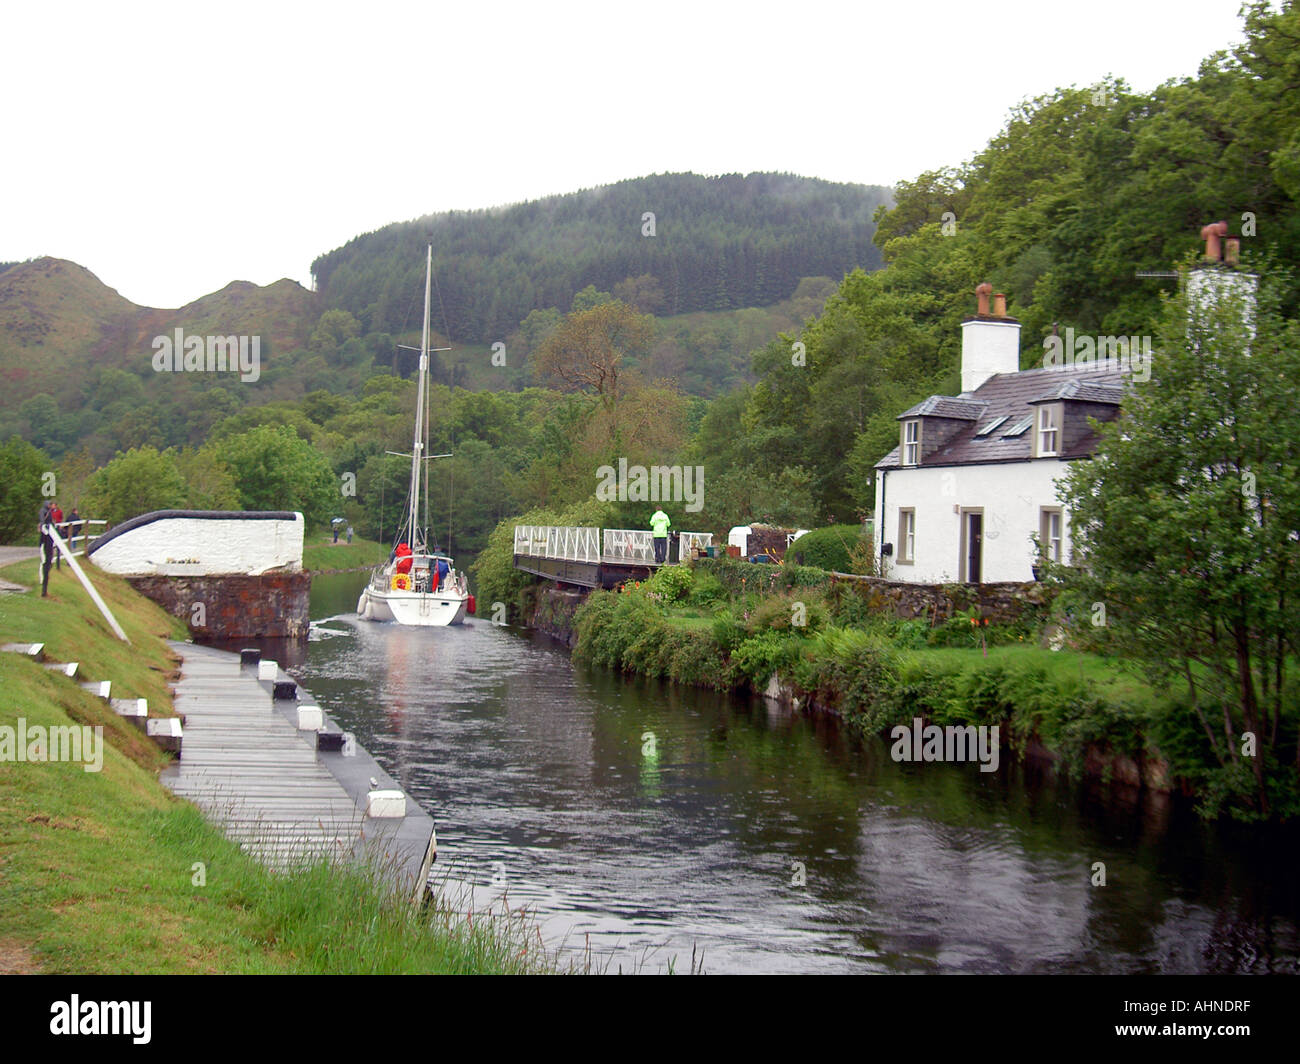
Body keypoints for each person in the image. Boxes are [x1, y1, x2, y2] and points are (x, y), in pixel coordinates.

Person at [37, 500, 54, 596]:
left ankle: (45, 579)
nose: (50, 505)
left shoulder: (48, 511)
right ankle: (43, 581)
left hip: (48, 534)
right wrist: (44, 526)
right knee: (45, 559)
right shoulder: (43, 511)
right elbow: (42, 520)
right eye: (49, 504)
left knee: (48, 558)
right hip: (45, 536)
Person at [49, 501, 63, 569]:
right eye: (52, 505)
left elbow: (60, 518)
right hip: (51, 526)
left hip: (57, 526)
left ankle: (57, 549)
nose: (53, 506)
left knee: (57, 538)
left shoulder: (59, 511)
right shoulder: (49, 511)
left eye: (54, 505)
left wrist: (59, 523)